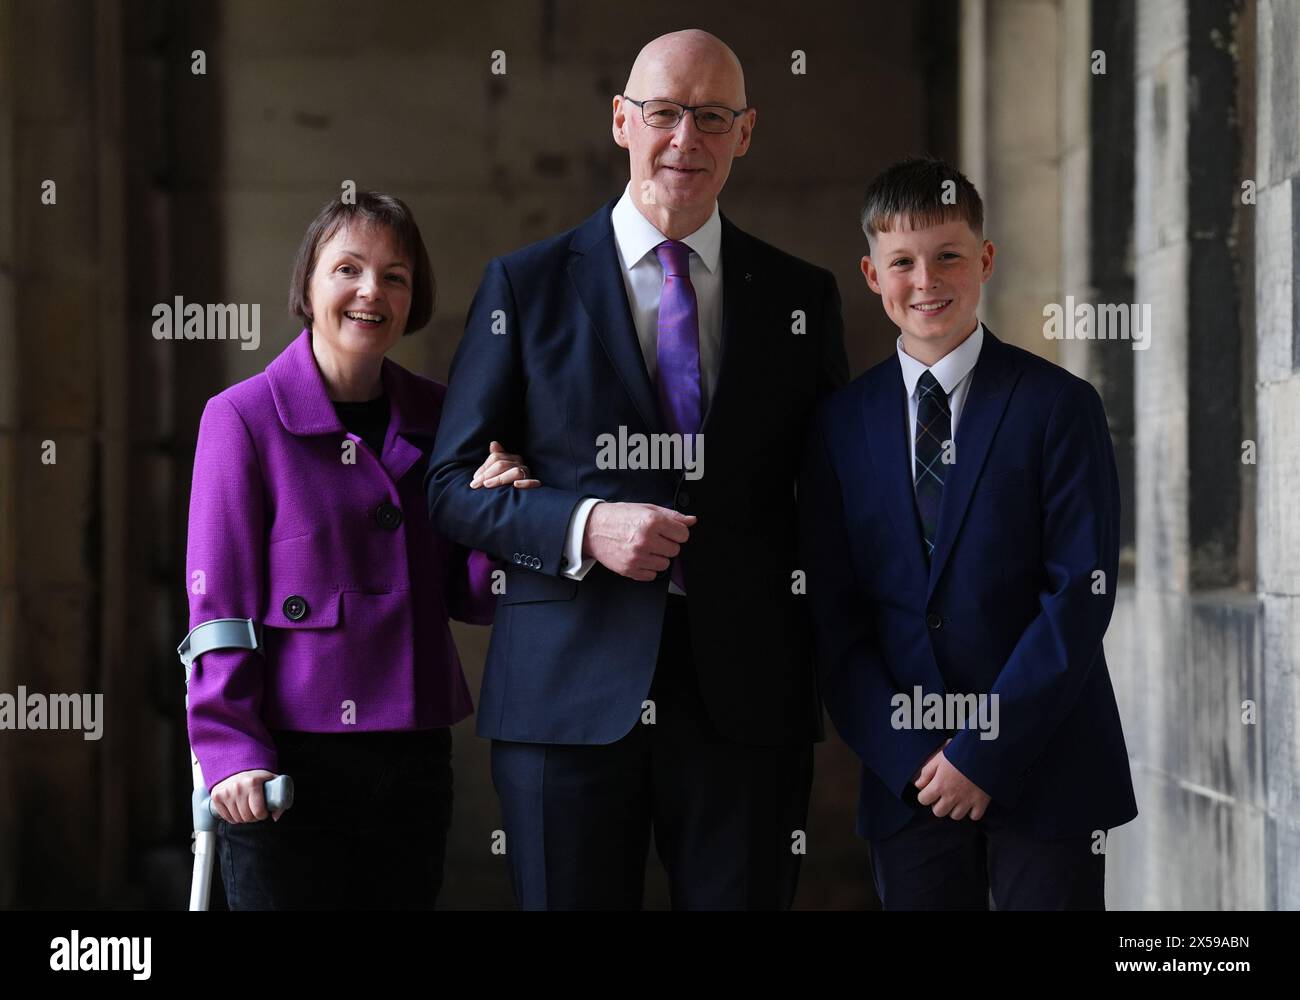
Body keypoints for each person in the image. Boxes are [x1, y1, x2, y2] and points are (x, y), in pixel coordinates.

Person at [427, 29, 848, 910]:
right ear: (622, 121)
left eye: (712, 117)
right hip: (564, 696)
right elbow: (449, 485)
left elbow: (834, 497)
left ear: (747, 131)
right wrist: (584, 525)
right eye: (663, 113)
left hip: (747, 696)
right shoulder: (526, 286)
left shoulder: (799, 298)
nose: (685, 139)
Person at [799, 156, 1138, 910]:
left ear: (984, 259)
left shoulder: (1058, 405)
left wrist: (983, 752)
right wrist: (910, 756)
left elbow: (1078, 596)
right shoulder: (837, 427)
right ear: (870, 272)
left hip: (1049, 767)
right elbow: (833, 614)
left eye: (949, 255)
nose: (927, 280)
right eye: (903, 262)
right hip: (909, 781)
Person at [184, 191, 535, 909]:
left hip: (412, 757)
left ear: (413, 300)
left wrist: (501, 514)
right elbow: (217, 606)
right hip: (284, 764)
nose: (371, 291)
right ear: (308, 288)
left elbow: (471, 596)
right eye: (348, 268)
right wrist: (231, 752)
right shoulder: (241, 419)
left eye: (395, 276)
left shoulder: (445, 415)